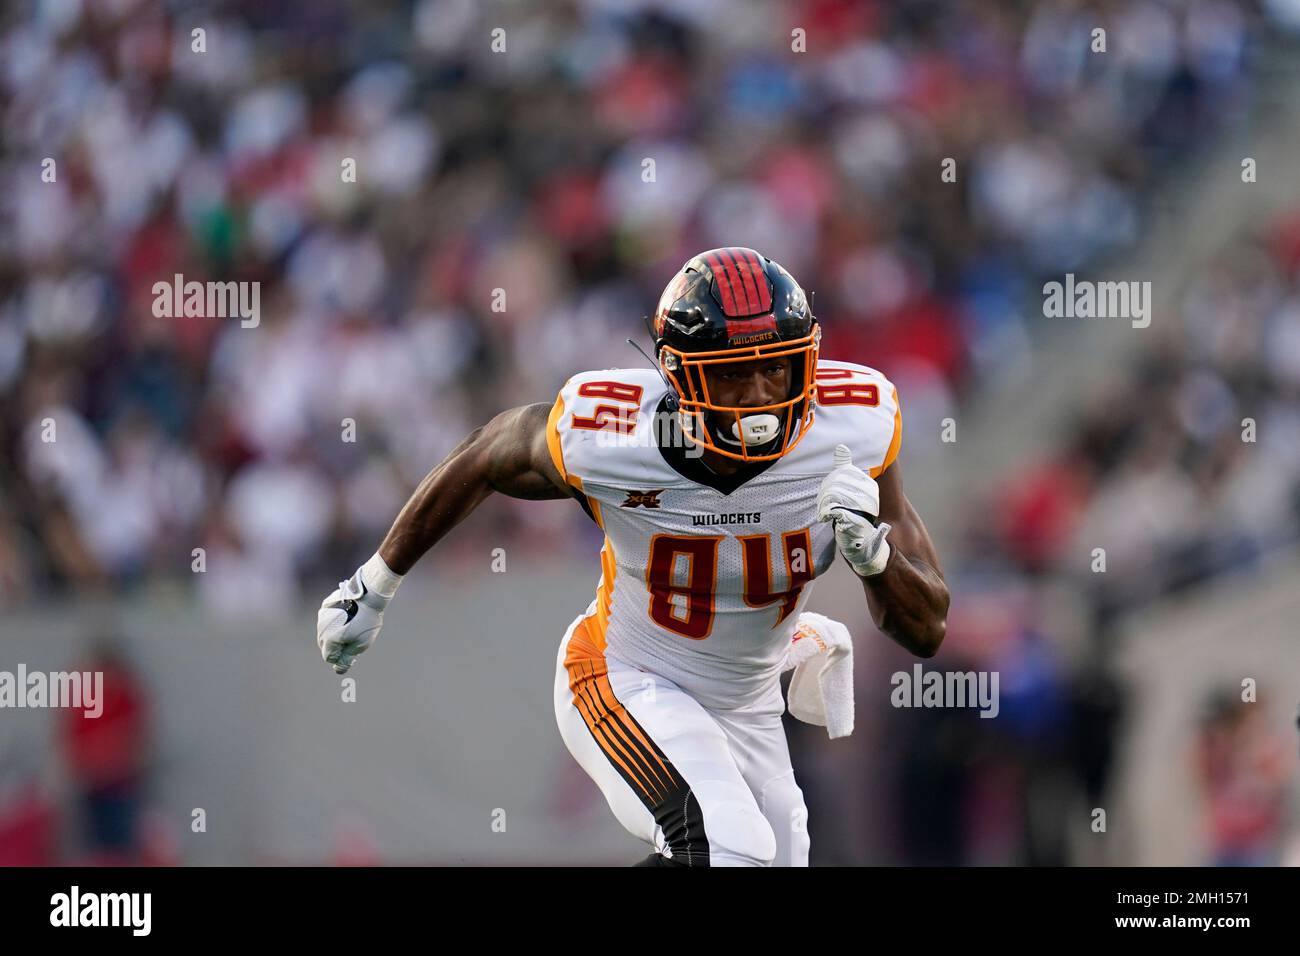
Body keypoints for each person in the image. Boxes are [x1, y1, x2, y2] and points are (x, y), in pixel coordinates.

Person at [316, 247, 949, 866]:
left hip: (748, 702)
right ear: (681, 377)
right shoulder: (614, 435)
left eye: (776, 370)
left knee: (763, 856)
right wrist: (375, 582)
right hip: (626, 675)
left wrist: (876, 559)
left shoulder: (854, 428)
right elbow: (486, 453)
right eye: (732, 374)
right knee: (726, 848)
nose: (760, 395)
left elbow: (926, 629)